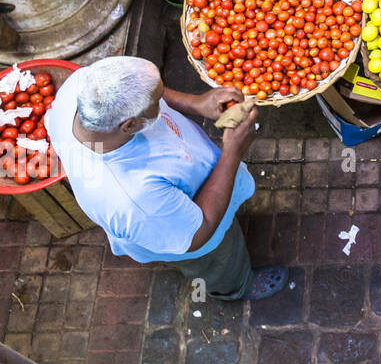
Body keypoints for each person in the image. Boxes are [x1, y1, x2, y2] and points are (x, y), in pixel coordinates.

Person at [45, 56, 284, 301]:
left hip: (180, 192)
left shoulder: (79, 88)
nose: (161, 102)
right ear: (129, 125)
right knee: (220, 263)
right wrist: (232, 153)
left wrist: (195, 103)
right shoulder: (131, 197)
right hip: (188, 233)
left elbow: (146, 90)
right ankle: (236, 288)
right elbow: (198, 233)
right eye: (155, 102)